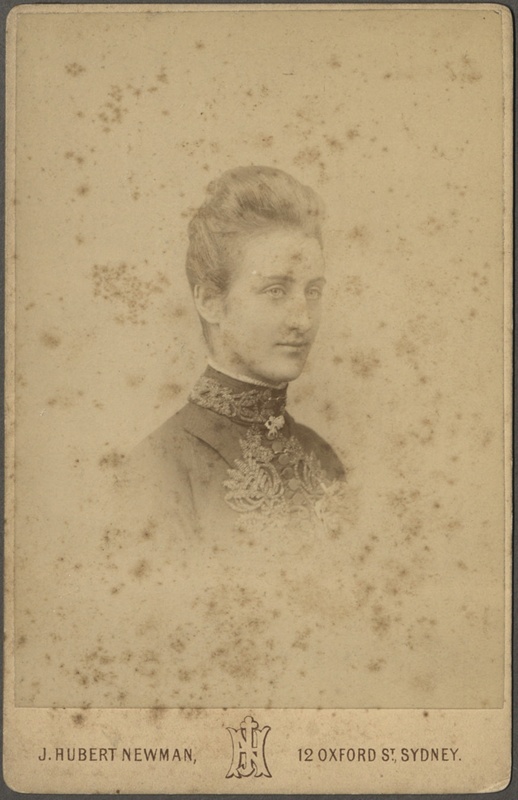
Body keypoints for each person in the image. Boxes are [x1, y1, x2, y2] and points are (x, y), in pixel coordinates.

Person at [132, 166, 347, 541]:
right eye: (275, 291)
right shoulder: (158, 468)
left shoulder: (323, 458)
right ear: (210, 301)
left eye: (312, 291)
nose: (303, 320)